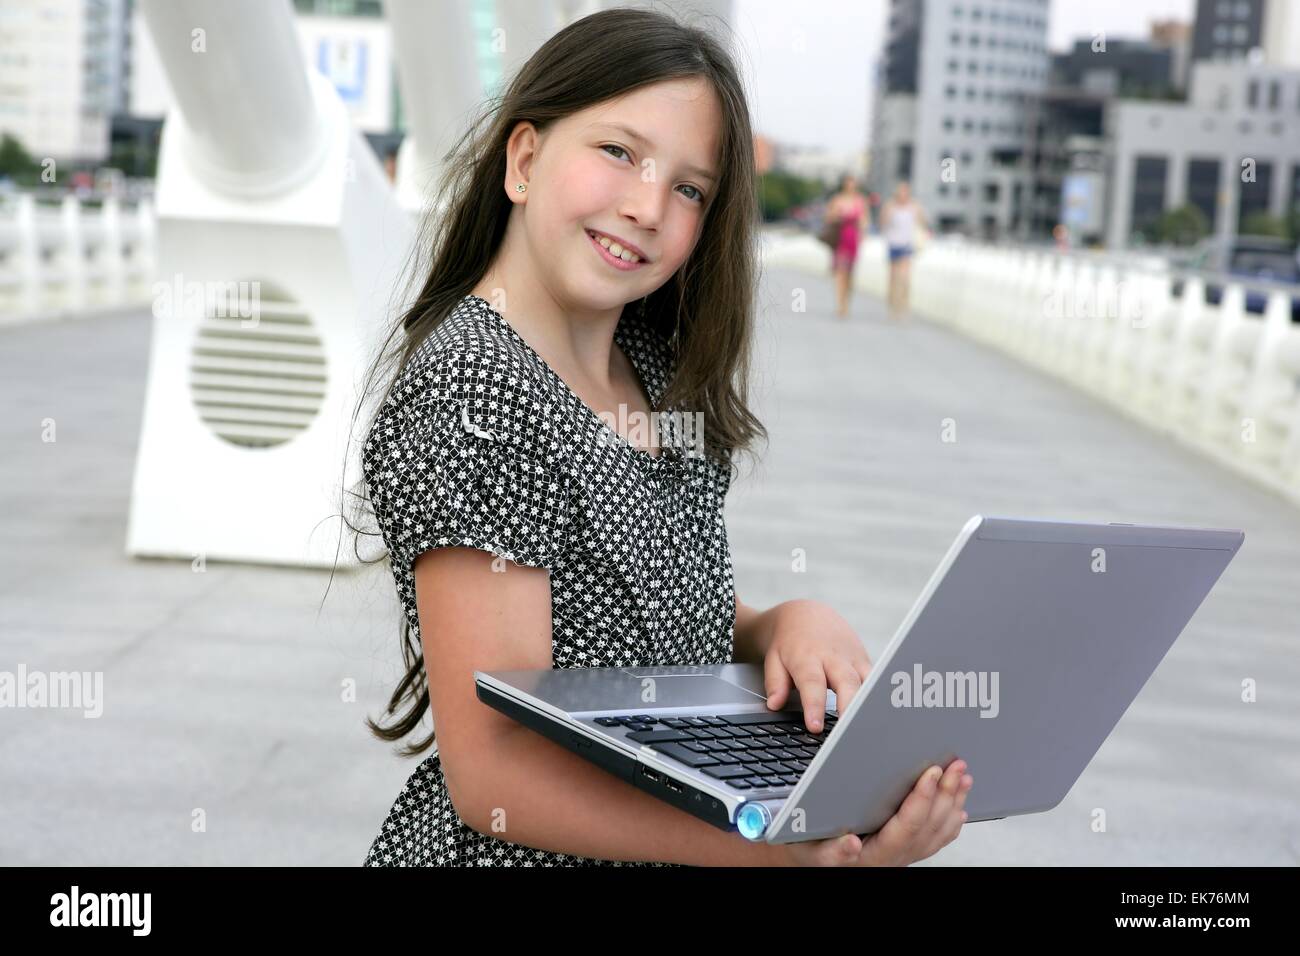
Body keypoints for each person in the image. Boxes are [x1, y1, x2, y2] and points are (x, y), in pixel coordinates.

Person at [348, 8, 972, 867]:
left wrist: (783, 624)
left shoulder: (650, 362)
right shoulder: (474, 391)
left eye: (689, 188)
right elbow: (495, 777)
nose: (647, 206)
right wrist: (776, 855)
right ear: (524, 160)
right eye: (619, 153)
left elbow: (641, 624)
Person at [880, 181, 928, 321]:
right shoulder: (890, 206)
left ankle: (903, 305)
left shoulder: (914, 207)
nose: (902, 194)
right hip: (893, 244)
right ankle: (892, 305)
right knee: (893, 278)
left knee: (905, 279)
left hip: (907, 245)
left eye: (905, 191)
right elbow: (883, 224)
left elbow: (922, 223)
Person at [826, 174, 870, 318]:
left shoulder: (860, 201)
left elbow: (865, 221)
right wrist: (838, 216)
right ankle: (840, 304)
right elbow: (828, 217)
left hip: (853, 240)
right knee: (840, 272)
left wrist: (862, 232)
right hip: (840, 240)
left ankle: (846, 302)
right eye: (848, 183)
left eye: (853, 183)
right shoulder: (837, 199)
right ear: (844, 185)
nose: (851, 186)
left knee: (850, 274)